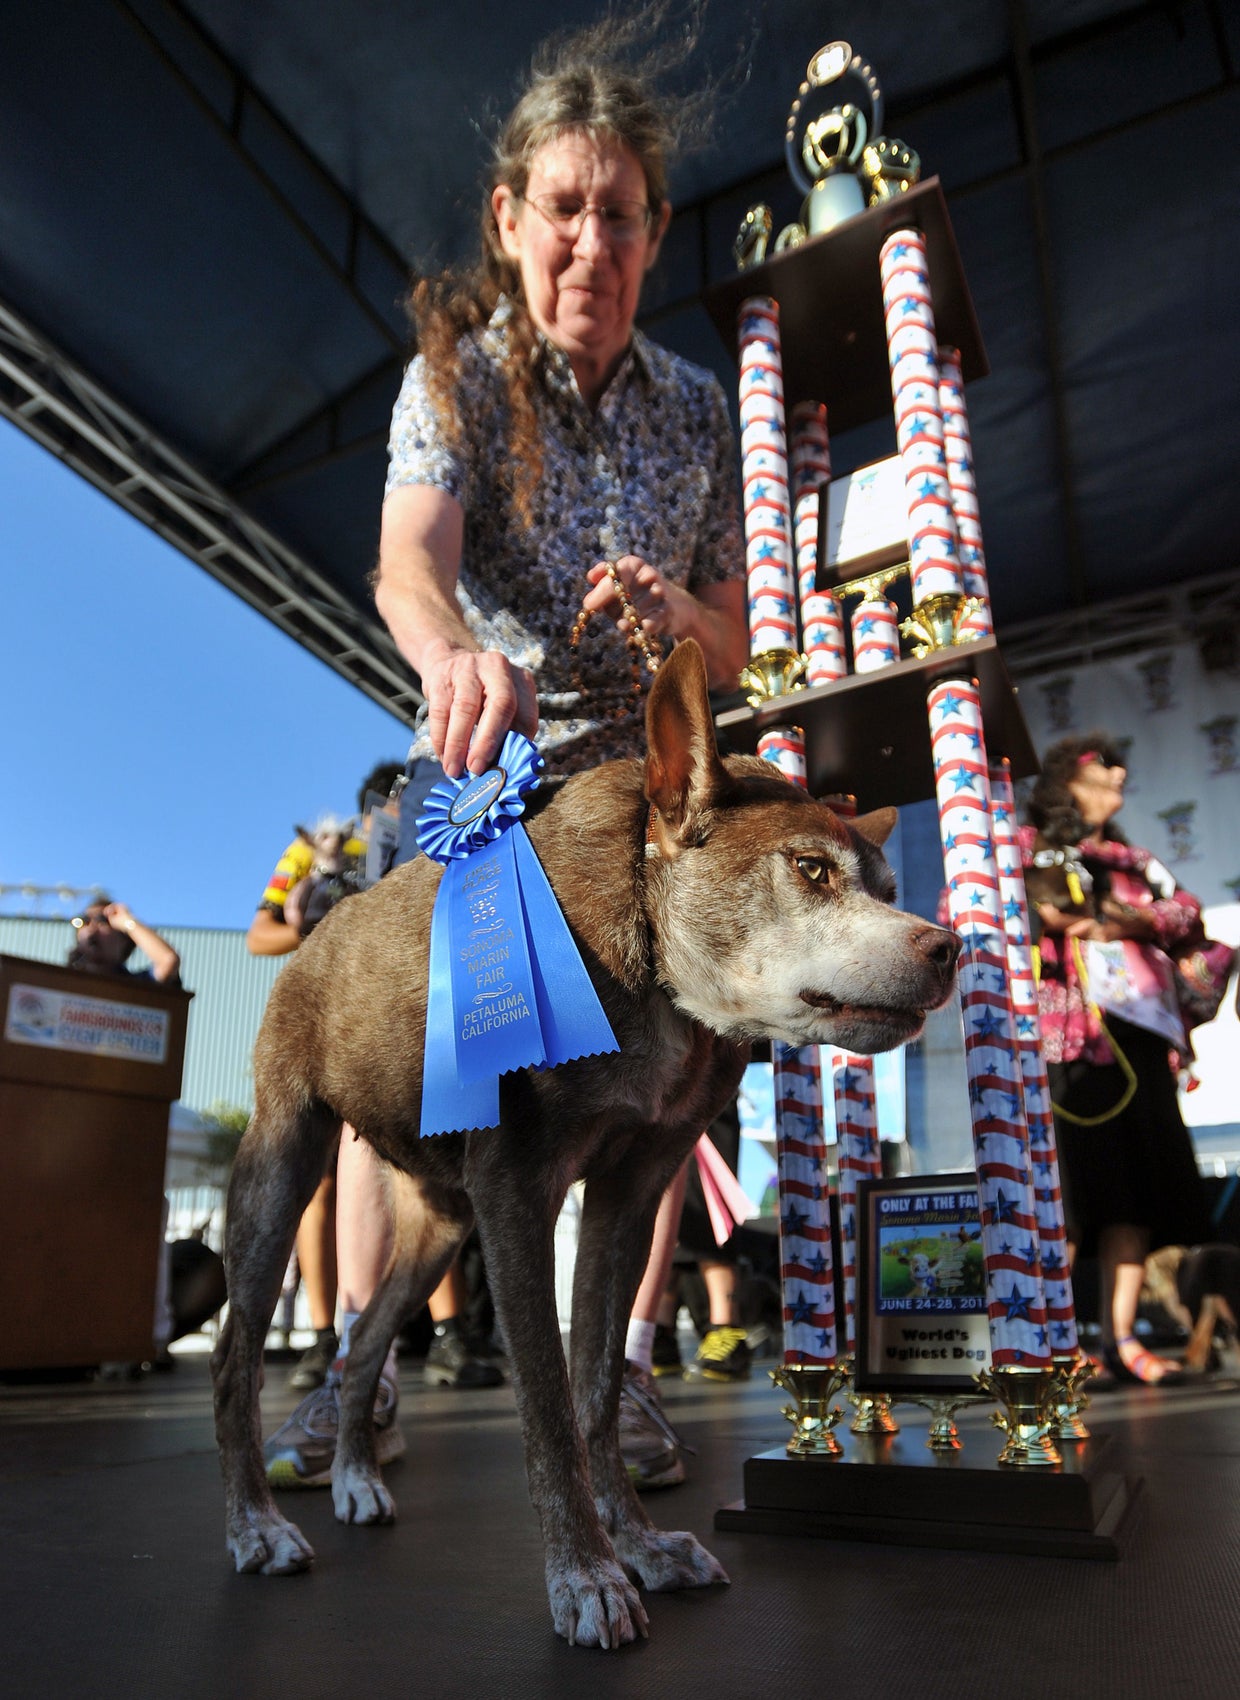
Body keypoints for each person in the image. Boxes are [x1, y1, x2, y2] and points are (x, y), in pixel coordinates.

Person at [369, 21, 748, 1489]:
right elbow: (410, 562)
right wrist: (454, 655)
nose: (593, 240)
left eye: (624, 214)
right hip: (493, 768)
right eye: (566, 208)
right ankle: (358, 1365)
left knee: (658, 1091)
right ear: (510, 219)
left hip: (648, 803)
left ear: (654, 233)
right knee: (444, 1101)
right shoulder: (453, 378)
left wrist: (681, 621)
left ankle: (618, 1380)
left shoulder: (705, 412)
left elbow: (736, 637)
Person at [256, 766, 505, 1489]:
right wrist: (318, 901)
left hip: (461, 930)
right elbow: (261, 933)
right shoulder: (309, 858)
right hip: (329, 1007)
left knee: (444, 1162)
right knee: (351, 1156)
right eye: (390, 797)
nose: (386, 811)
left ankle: (456, 1335)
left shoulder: (417, 831)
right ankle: (348, 1359)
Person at [1022, 732, 1208, 1384]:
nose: (1109, 798)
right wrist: (1044, 916)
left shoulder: (1131, 860)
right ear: (1061, 786)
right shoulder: (1022, 847)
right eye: (1096, 784)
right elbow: (966, 912)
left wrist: (1125, 922)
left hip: (1134, 1037)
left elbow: (1188, 910)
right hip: (1062, 1040)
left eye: (1117, 788)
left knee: (1131, 1195)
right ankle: (1054, 1342)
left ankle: (1121, 1339)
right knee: (1064, 1198)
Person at [68, 896, 180, 985]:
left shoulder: (139, 986)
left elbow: (168, 960)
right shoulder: (62, 982)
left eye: (102, 921)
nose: (91, 928)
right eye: (85, 920)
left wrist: (128, 923)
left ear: (124, 941)